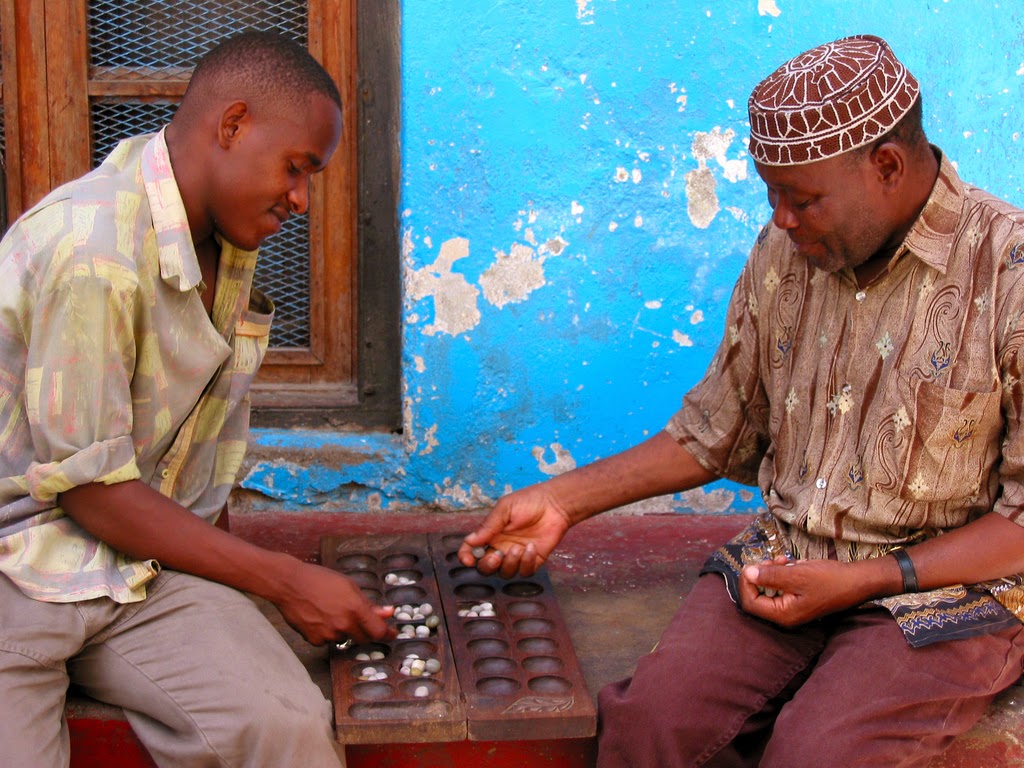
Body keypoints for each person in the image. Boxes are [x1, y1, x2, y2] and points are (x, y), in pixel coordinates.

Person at [460, 34, 1024, 767]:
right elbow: (717, 428)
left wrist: (870, 578)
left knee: (815, 755)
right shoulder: (788, 252)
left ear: (887, 165)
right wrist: (564, 501)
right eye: (771, 195)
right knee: (646, 726)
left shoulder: (1007, 273)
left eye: (802, 197)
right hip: (784, 567)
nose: (781, 219)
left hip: (947, 598)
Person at [0, 31, 393, 768]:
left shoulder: (223, 243)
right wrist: (282, 581)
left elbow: (186, 454)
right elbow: (89, 490)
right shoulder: (95, 252)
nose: (303, 200)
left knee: (284, 731)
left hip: (136, 567)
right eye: (297, 169)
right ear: (233, 124)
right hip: (18, 567)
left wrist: (236, 593)